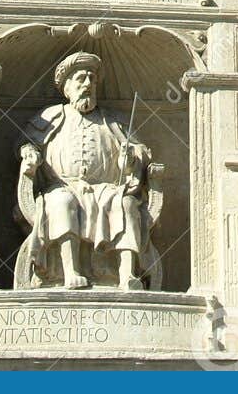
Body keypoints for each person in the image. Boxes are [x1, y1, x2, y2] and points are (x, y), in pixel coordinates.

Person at [17, 52, 153, 291]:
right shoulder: (51, 117)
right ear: (67, 86)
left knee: (126, 204)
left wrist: (130, 158)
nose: (88, 84)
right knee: (62, 202)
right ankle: (71, 271)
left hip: (106, 190)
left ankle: (127, 275)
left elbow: (140, 151)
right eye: (81, 78)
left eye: (92, 79)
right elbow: (25, 143)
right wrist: (29, 153)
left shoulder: (112, 121)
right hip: (62, 186)